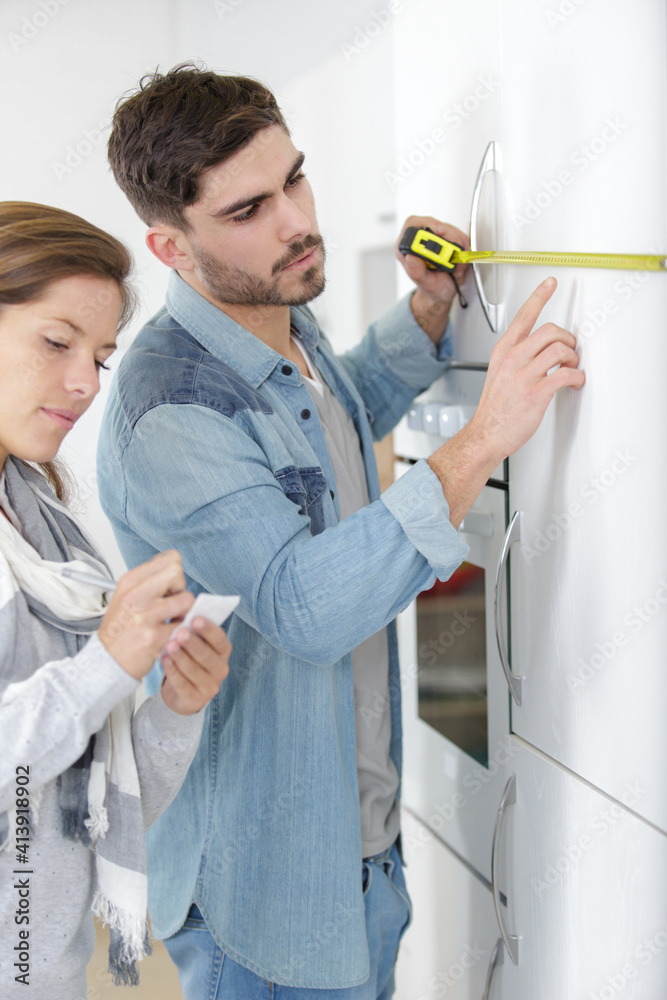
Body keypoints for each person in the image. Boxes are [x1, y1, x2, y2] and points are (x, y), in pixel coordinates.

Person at [98, 65, 585, 999]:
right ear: (170, 246)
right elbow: (303, 607)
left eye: (294, 178)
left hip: (357, 848)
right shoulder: (170, 410)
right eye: (247, 210)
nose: (294, 221)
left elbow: (334, 420)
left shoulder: (273, 310)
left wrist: (428, 313)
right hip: (269, 893)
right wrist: (483, 436)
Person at [0, 201, 232, 1000]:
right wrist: (103, 664)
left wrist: (175, 707)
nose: (85, 384)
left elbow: (90, 801)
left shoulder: (43, 528)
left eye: (100, 357)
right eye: (56, 342)